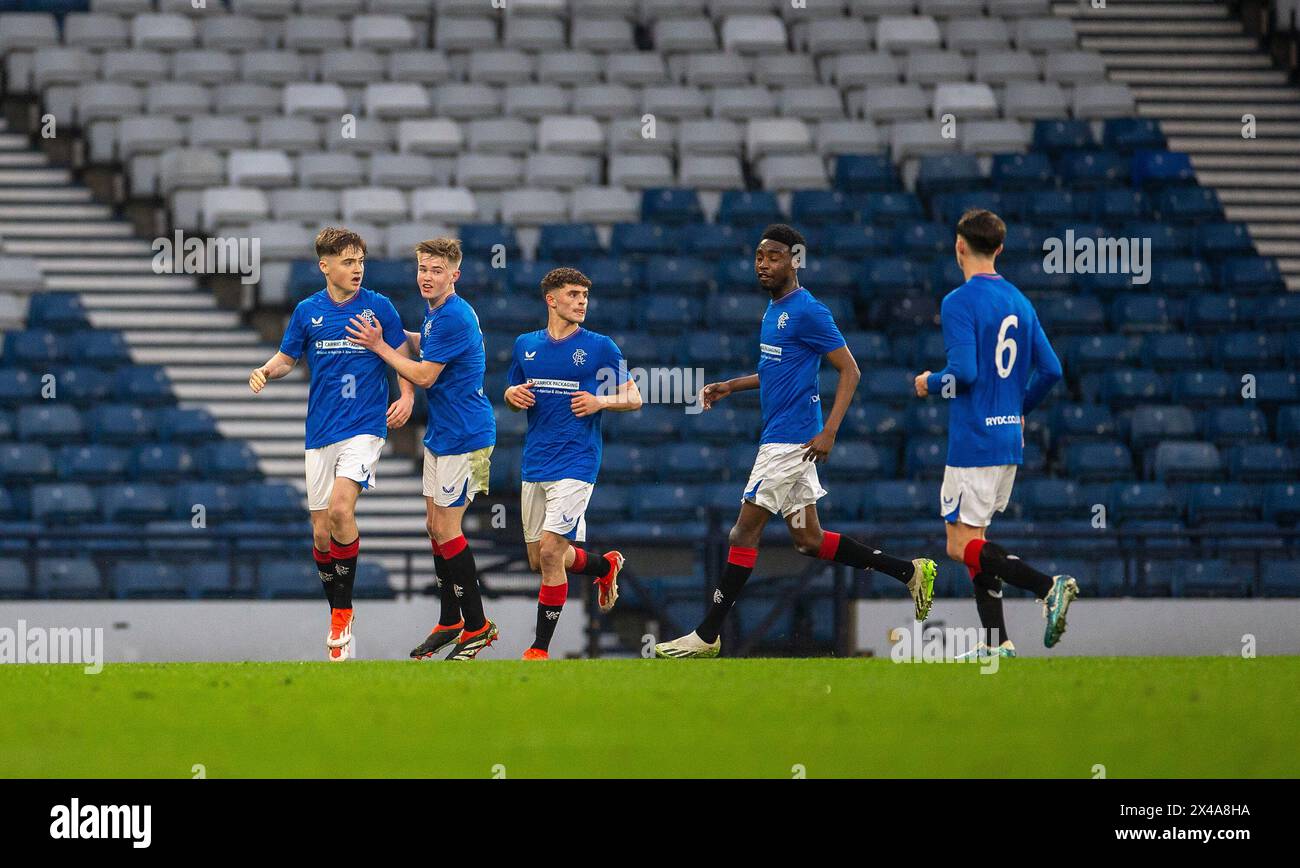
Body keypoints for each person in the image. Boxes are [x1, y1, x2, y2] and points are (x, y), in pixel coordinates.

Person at [655, 224, 938, 660]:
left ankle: (707, 635)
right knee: (808, 538)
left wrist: (830, 431)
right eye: (759, 257)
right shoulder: (773, 310)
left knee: (742, 531)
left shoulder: (808, 310)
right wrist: (731, 385)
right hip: (787, 437)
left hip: (791, 441)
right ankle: (909, 571)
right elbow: (776, 371)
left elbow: (851, 370)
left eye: (773, 257)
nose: (763, 265)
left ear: (795, 260)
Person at [912, 209, 1075, 657]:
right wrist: (1018, 408)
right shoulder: (1021, 302)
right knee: (975, 541)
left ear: (959, 246)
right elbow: (1052, 370)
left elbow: (963, 374)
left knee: (958, 544)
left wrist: (930, 382)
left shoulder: (959, 301)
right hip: (1007, 440)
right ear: (999, 248)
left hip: (974, 440)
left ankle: (1047, 586)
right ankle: (995, 642)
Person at [249, 227, 414, 661]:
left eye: (360, 261)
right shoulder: (308, 311)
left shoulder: (379, 307)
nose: (357, 268)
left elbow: (400, 354)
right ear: (325, 266)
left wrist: (408, 396)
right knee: (322, 535)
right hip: (320, 432)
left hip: (363, 427)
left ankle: (342, 611)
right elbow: (288, 358)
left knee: (342, 509)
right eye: (347, 261)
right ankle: (337, 608)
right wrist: (265, 371)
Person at [503, 267, 641, 660]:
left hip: (578, 461)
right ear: (552, 299)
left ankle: (539, 650)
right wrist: (512, 394)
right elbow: (513, 389)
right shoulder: (525, 345)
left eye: (585, 295)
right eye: (574, 294)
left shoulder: (600, 347)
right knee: (539, 557)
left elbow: (634, 397)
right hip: (536, 461)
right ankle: (602, 566)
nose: (582, 301)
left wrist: (602, 402)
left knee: (549, 552)